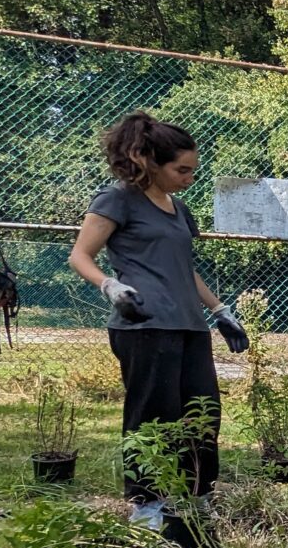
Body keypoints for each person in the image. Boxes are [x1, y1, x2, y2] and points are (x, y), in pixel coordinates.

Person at [68, 112, 248, 517]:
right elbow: (80, 256)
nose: (189, 177)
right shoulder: (116, 199)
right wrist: (109, 286)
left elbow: (183, 267)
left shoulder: (179, 208)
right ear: (151, 162)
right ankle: (146, 506)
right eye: (181, 170)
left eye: (193, 170)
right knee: (152, 416)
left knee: (203, 414)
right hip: (144, 325)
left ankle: (199, 499)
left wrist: (220, 310)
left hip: (189, 325)